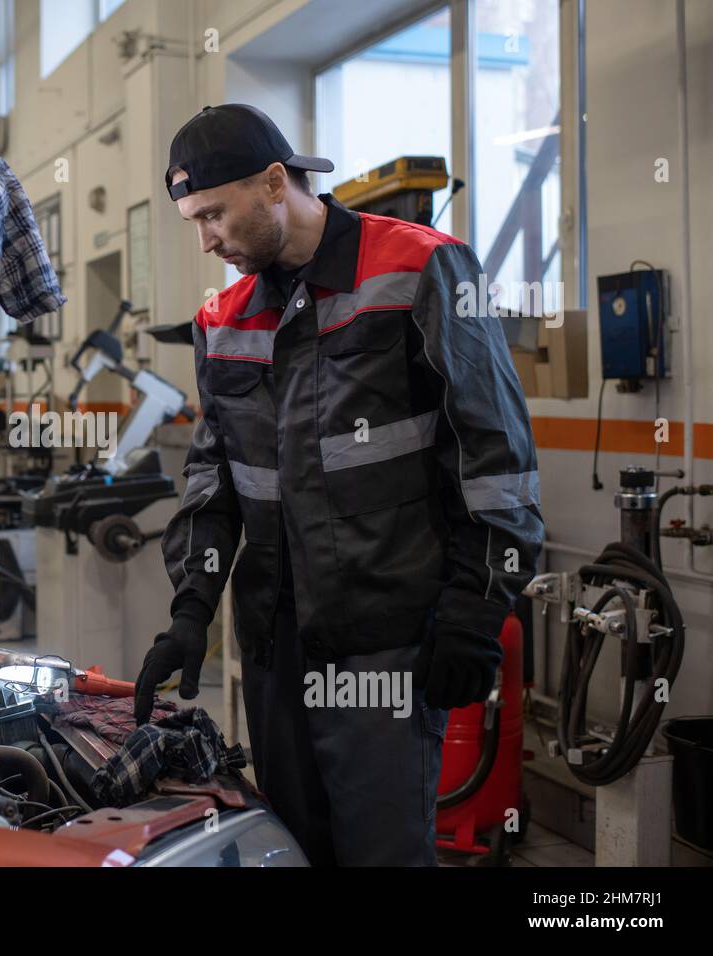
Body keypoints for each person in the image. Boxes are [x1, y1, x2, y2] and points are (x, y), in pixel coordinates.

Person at [134, 104, 545, 866]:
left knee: (382, 851)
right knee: (288, 843)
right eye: (194, 219)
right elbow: (212, 479)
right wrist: (192, 609)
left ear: (273, 182)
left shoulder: (423, 268)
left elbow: (495, 456)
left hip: (384, 642)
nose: (207, 239)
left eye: (215, 214)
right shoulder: (223, 319)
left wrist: (476, 613)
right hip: (274, 645)